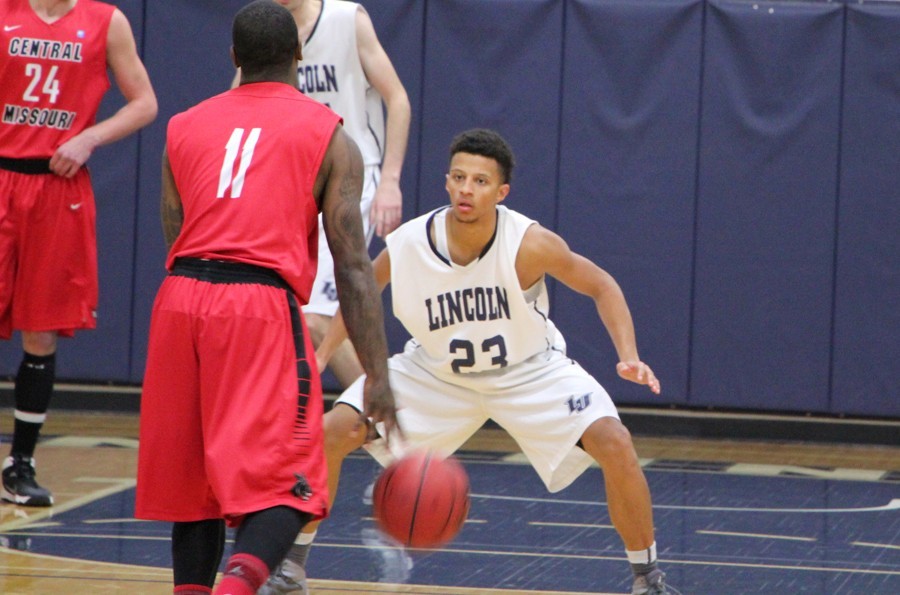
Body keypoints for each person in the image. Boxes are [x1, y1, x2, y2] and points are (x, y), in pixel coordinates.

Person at [274, 129, 673, 595]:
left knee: (615, 441)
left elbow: (603, 284)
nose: (467, 188)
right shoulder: (409, 243)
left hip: (529, 370)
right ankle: (290, 568)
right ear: (446, 182)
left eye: (480, 181)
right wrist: (324, 354)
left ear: (501, 193)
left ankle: (648, 578)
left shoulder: (529, 244)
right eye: (459, 177)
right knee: (331, 432)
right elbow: (361, 291)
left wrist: (629, 356)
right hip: (436, 374)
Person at [133, 2, 397, 594]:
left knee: (193, 488)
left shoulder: (182, 126)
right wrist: (376, 375)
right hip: (255, 305)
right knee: (296, 479)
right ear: (299, 55)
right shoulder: (331, 138)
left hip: (178, 300)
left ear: (233, 58)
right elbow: (354, 269)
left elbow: (174, 233)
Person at [0, 0, 157, 507]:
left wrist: (90, 136)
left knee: (41, 331)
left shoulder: (105, 21)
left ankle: (19, 464)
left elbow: (144, 102)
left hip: (55, 188)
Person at [235, 0, 411, 389]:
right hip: (289, 188)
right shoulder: (264, 30)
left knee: (313, 319)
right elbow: (237, 109)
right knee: (287, 315)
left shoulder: (347, 20)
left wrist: (390, 181)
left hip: (349, 180)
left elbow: (397, 99)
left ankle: (390, 429)